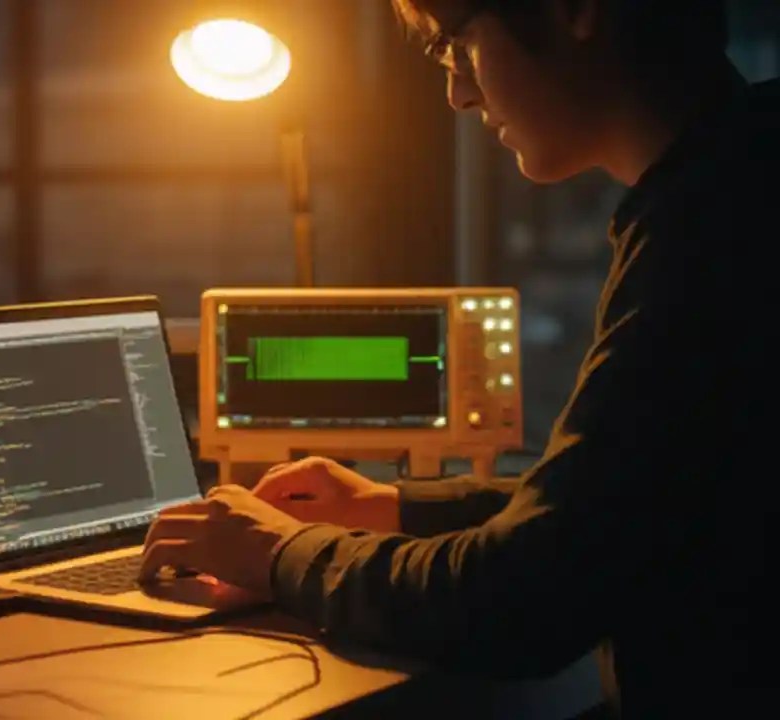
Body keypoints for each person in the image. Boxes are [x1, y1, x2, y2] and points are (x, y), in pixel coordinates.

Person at [138, 0, 780, 716]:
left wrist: (281, 555)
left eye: (458, 44)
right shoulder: (742, 173)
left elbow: (525, 600)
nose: (458, 92)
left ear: (575, 11)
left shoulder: (711, 236)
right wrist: (397, 506)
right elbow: (635, 503)